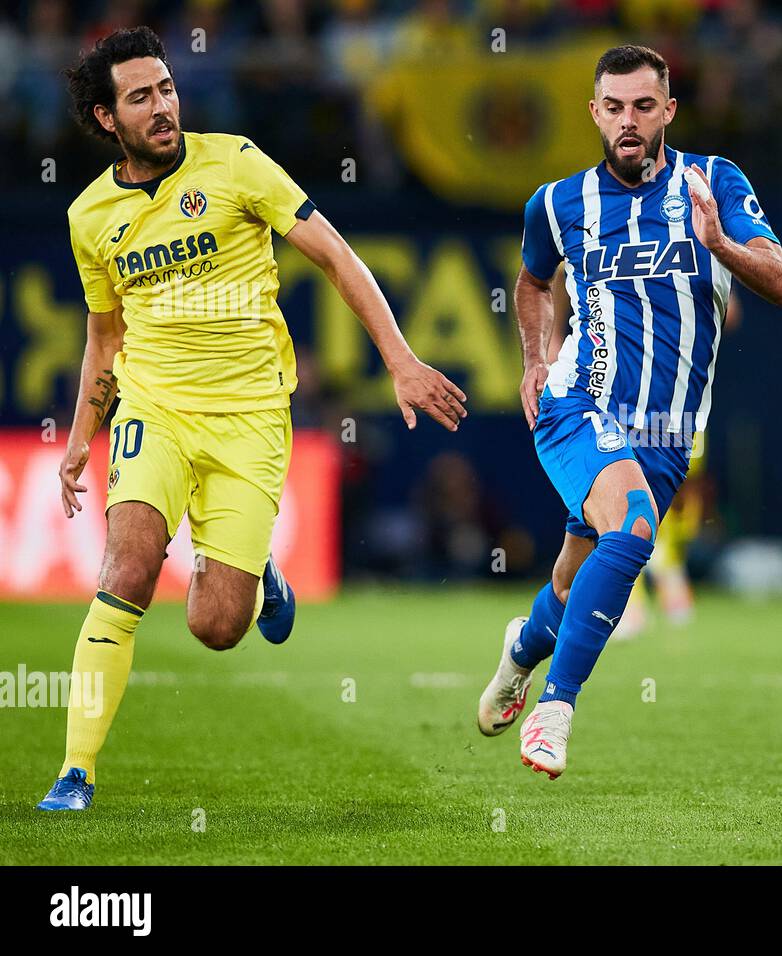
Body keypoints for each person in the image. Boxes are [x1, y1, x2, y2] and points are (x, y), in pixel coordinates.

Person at [38, 26, 467, 811]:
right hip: (153, 410)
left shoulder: (235, 162)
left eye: (166, 88)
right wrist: (77, 443)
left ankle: (254, 570)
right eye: (141, 97)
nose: (163, 106)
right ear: (107, 119)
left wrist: (401, 360)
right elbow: (105, 337)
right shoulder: (89, 216)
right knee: (127, 569)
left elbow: (337, 254)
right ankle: (76, 771)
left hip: (249, 419)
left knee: (215, 626)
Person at [476, 44, 782, 778]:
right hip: (576, 404)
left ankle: (523, 648)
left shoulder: (714, 182)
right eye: (614, 107)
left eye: (643, 106)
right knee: (638, 528)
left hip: (666, 432)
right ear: (594, 113)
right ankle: (556, 711)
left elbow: (780, 281)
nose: (628, 120)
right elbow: (531, 283)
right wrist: (534, 356)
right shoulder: (558, 203)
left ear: (668, 111)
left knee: (574, 577)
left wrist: (720, 244)